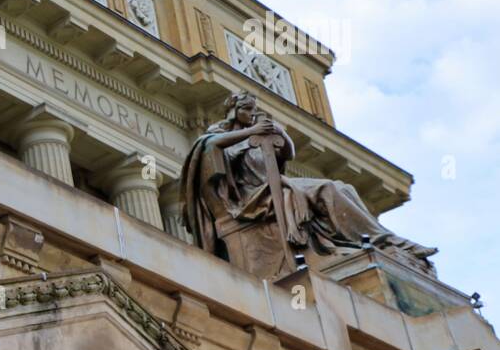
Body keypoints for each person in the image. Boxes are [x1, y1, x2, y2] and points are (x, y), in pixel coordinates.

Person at [179, 90, 436, 276]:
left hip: (273, 189)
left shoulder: (259, 136)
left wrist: (280, 133)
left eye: (253, 109)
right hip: (251, 201)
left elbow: (287, 154)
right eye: (246, 109)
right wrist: (251, 133)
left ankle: (380, 241)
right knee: (327, 189)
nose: (251, 113)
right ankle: (384, 242)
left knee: (344, 187)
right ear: (234, 111)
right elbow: (207, 147)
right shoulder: (221, 135)